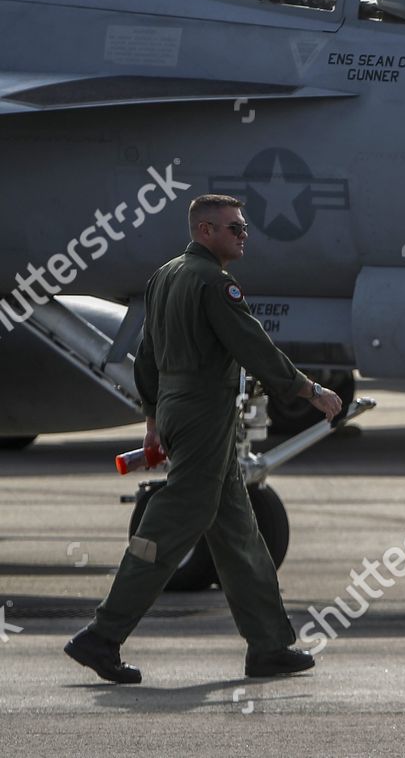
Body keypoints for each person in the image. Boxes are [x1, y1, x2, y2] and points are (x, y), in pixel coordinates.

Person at [65, 194, 342, 684]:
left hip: (178, 409)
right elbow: (253, 344)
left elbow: (147, 356)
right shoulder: (214, 283)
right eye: (233, 227)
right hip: (203, 413)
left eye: (243, 227)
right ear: (204, 231)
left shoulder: (166, 275)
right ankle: (102, 636)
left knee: (238, 532)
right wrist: (308, 389)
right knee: (174, 521)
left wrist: (153, 417)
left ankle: (269, 647)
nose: (242, 234)